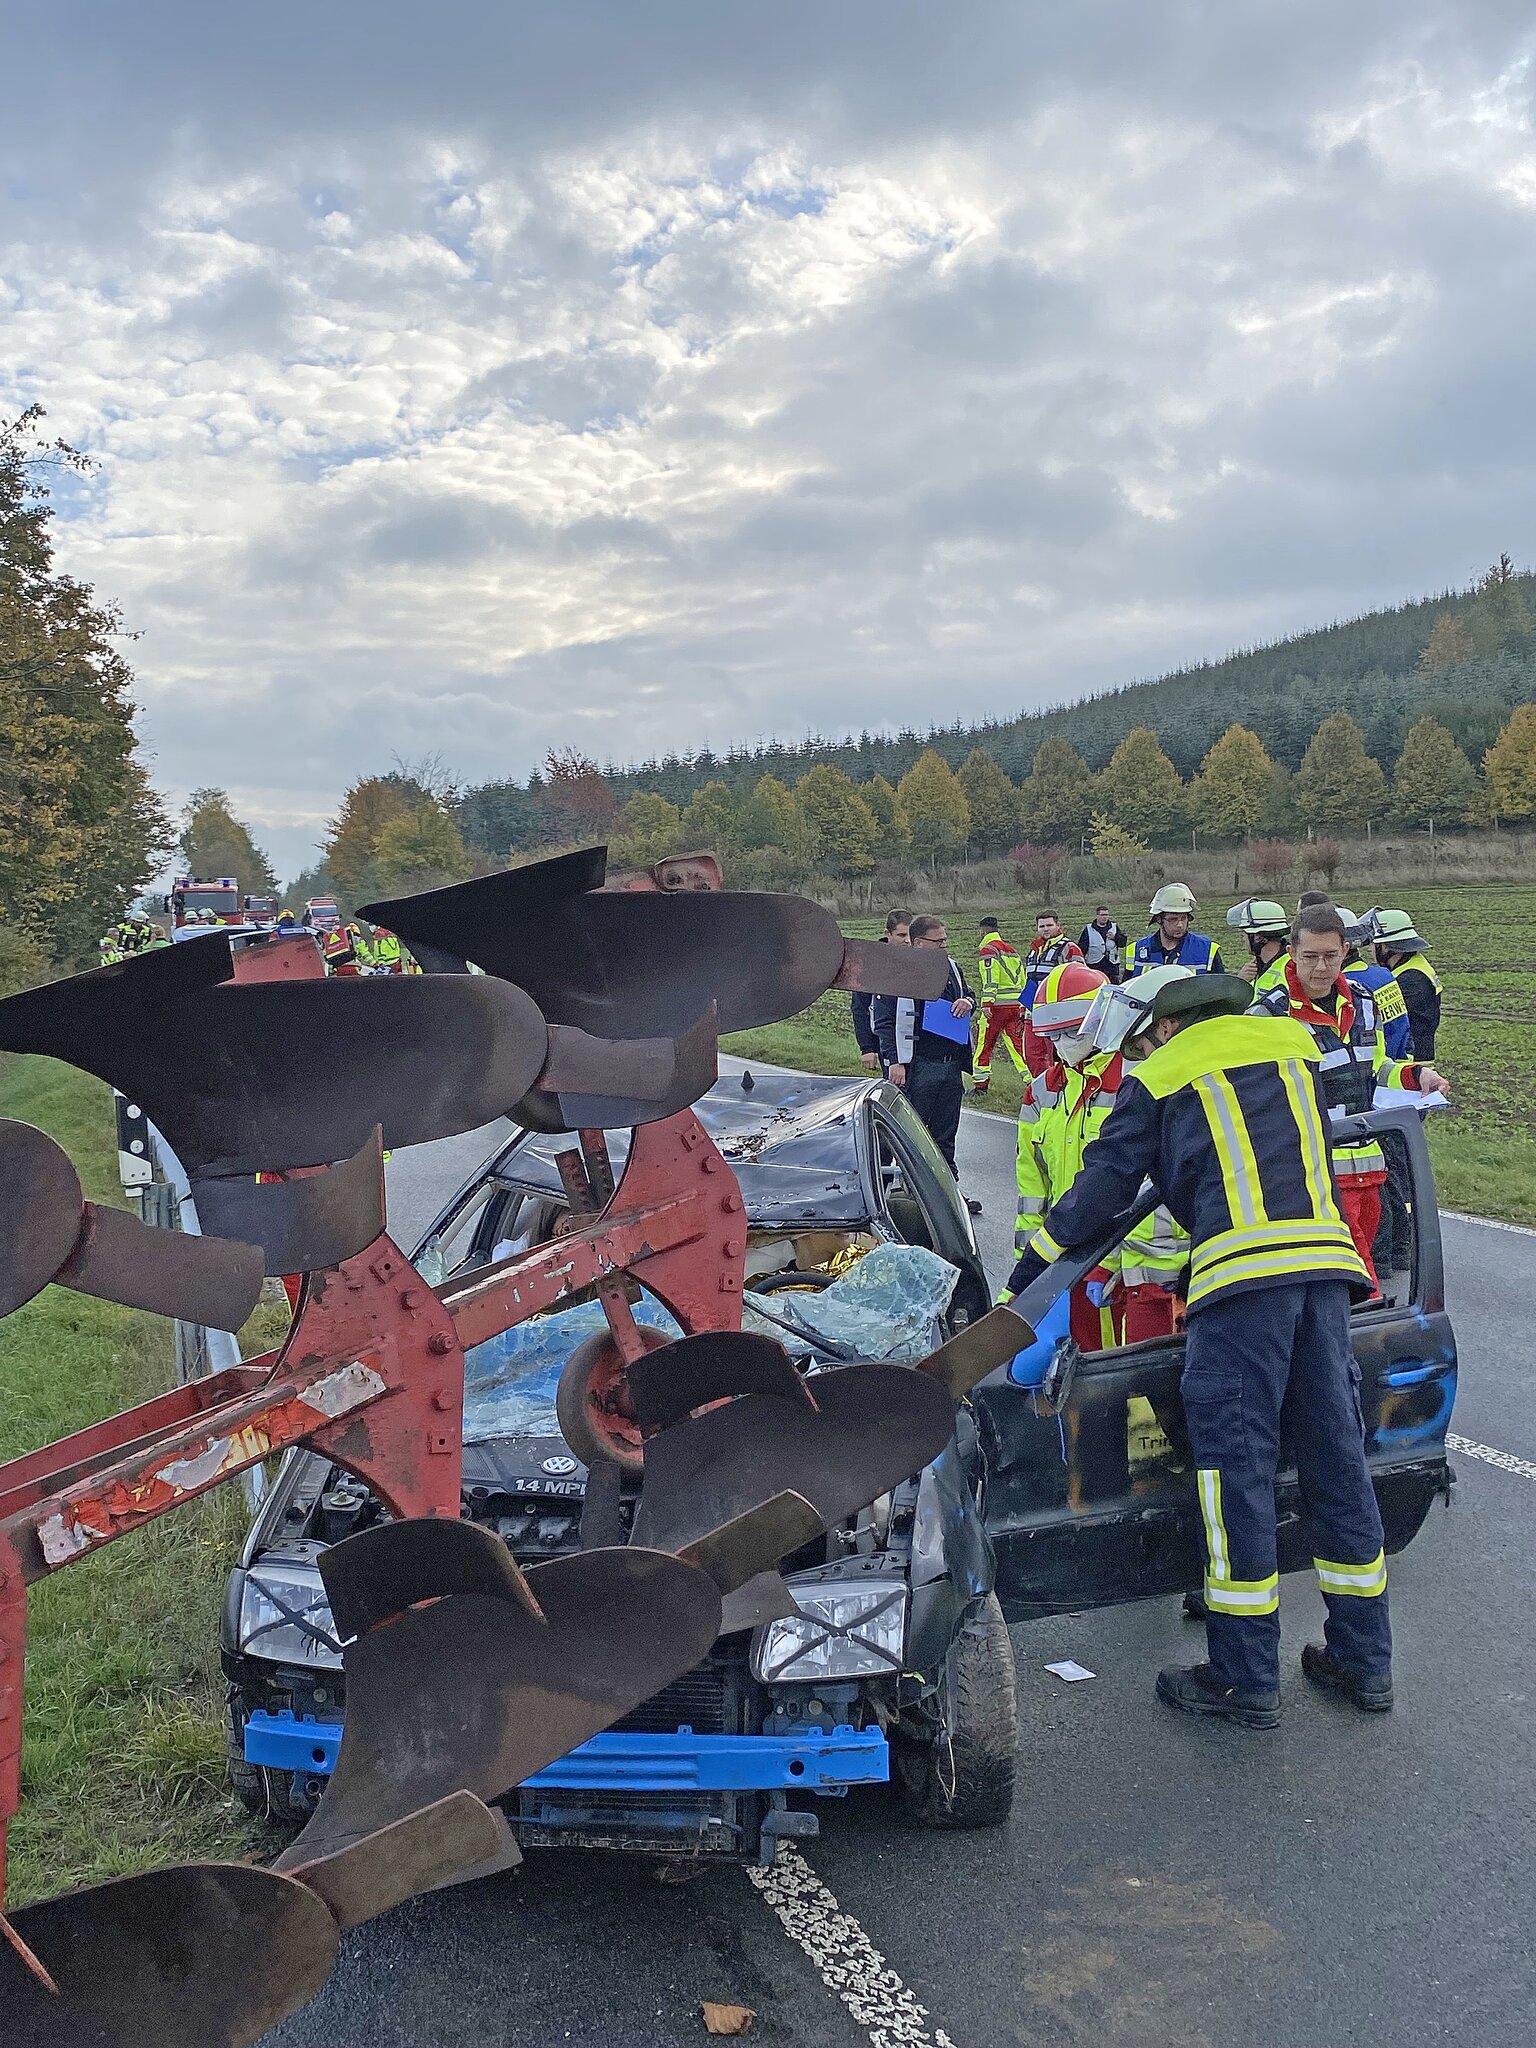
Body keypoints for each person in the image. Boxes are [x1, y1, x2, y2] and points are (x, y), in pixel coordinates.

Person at [1008, 966, 1395, 1727]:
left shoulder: (1161, 1072)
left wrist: (1029, 1274)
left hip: (1239, 1287)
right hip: (1325, 1274)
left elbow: (1101, 1191)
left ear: (1160, 1026)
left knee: (1234, 1474)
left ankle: (1244, 1677)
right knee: (1337, 1464)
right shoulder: (1295, 1045)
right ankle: (1364, 1660)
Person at [1250, 905, 1448, 1290]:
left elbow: (1376, 1068)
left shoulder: (1363, 1001)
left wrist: (1417, 1075)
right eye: (1310, 957)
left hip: (1366, 1163)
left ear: (1345, 949)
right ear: (1292, 952)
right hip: (1311, 1171)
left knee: (1360, 1261)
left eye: (1329, 955)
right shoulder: (1267, 1015)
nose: (1321, 967)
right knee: (1347, 1278)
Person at [1012, 962, 1186, 1349]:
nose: (1063, 1043)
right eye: (1054, 1034)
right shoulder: (1042, 1092)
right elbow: (1032, 1190)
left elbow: (1138, 1181)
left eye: (1071, 1032)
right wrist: (1030, 1271)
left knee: (1141, 1379)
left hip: (1137, 1267)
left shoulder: (1140, 1079)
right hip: (1068, 1263)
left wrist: (1113, 1261)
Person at [874, 915, 981, 1212]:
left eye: (945, 940)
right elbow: (884, 1021)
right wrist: (895, 1061)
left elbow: (969, 995)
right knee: (912, 1134)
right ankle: (902, 1196)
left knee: (946, 1135)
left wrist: (968, 1003)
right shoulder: (899, 974)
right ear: (919, 943)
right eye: (939, 941)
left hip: (950, 1065)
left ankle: (950, 1197)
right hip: (917, 1065)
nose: (944, 945)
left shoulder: (953, 969)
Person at [1362, 909, 1441, 1061]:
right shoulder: (1414, 965)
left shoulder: (1411, 979)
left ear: (1385, 947)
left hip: (1413, 1061)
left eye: (1373, 944)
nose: (1371, 950)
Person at [1020, 911, 1084, 1074]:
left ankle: (1061, 1087)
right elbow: (1030, 980)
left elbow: (1081, 979)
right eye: (1042, 926)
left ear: (1058, 925)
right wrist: (1023, 1008)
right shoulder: (1034, 950)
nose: (1046, 929)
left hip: (1057, 1013)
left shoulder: (1069, 948)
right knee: (1032, 1055)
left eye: (1049, 925)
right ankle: (1041, 1089)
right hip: (1033, 1011)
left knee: (1058, 1054)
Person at [972, 917, 1027, 1093]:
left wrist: (987, 1002)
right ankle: (1033, 1083)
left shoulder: (988, 950)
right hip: (1016, 1006)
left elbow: (990, 979)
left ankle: (981, 1086)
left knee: (984, 1046)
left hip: (996, 1007)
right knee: (1018, 1048)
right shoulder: (1012, 951)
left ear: (982, 931)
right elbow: (1022, 978)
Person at [853, 910, 911, 1071]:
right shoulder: (871, 965)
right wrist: (867, 1048)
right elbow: (860, 1008)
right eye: (901, 935)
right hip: (884, 1040)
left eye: (910, 935)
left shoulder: (917, 960)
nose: (907, 941)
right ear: (888, 933)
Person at [1132, 884, 1223, 974]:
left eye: (1183, 918)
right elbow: (1127, 987)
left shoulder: (1206, 949)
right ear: (1159, 919)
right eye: (1173, 919)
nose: (1180, 925)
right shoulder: (1137, 950)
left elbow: (1221, 987)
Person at [1225, 899, 1289, 994]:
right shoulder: (1255, 968)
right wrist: (1241, 982)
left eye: (1245, 934)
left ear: (1257, 937)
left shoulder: (1292, 968)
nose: (1243, 939)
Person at [1078, 905, 1127, 983]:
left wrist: (1115, 937)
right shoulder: (1088, 929)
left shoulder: (1114, 927)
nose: (1104, 917)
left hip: (1112, 966)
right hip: (1095, 965)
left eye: (1106, 915)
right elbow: (1082, 948)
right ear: (1097, 916)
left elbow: (1123, 943)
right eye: (1102, 915)